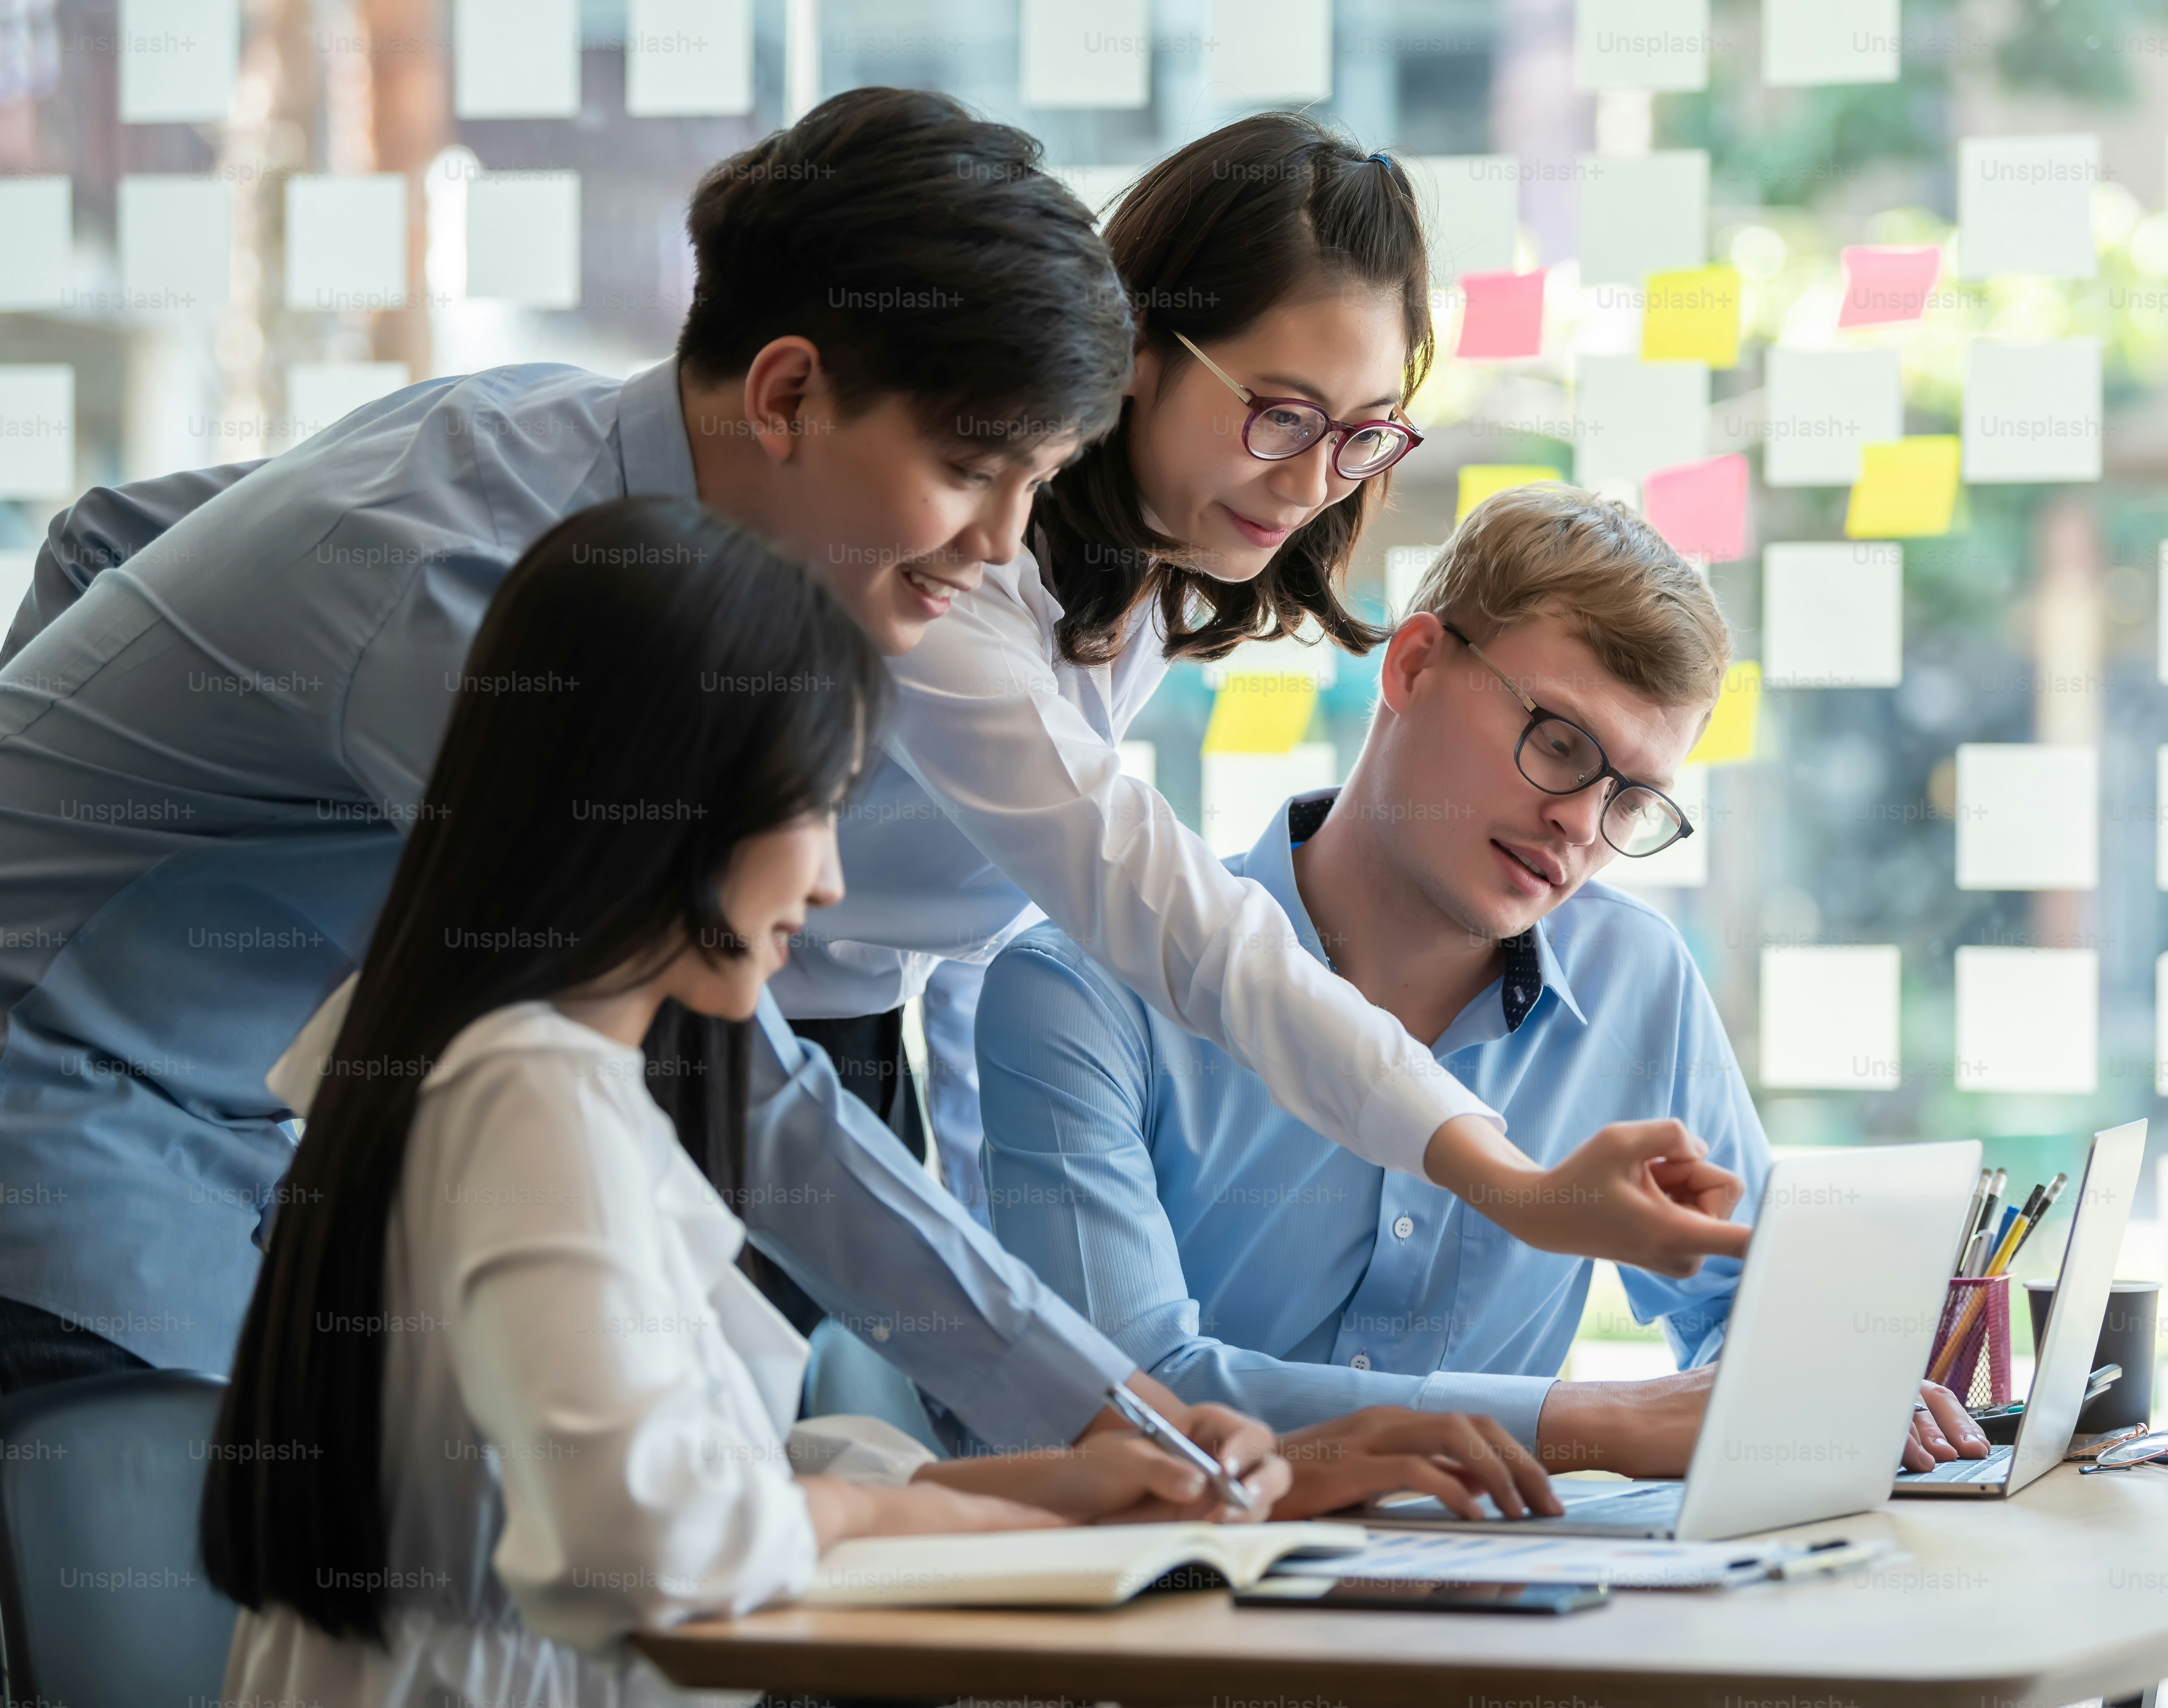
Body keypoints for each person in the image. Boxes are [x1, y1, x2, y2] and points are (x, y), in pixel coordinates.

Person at [0, 90, 1733, 1426]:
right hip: (78, 1123)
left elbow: (112, 535)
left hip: (250, 1117)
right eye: (978, 478)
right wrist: (1132, 1402)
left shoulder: (633, 500)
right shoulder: (480, 575)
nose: (1001, 551)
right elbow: (748, 1080)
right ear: (785, 397)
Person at [199, 501, 1291, 1708]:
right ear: (676, 795)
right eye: (816, 805)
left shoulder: (516, 1069)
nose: (828, 882)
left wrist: (1060, 1488)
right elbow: (658, 1544)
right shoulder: (530, 1091)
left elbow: (717, 1483)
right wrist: (881, 1506)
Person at [784, 108, 1748, 1275]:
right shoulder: (956, 575)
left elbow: (984, 917)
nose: (1308, 482)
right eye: (1280, 414)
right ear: (1136, 346)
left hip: (852, 1045)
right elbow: (1150, 902)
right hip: (733, 1022)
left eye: (1362, 435)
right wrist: (1509, 1184)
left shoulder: (1142, 578)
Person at [978, 487, 1992, 1477]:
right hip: (1178, 1615)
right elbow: (1122, 1398)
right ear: (1413, 667)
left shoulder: (1634, 979)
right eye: (1558, 743)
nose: (1582, 825)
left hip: (1525, 1617)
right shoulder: (1080, 991)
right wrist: (1593, 1423)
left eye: (1631, 801)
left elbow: (1749, 1312)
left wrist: (1819, 1387)